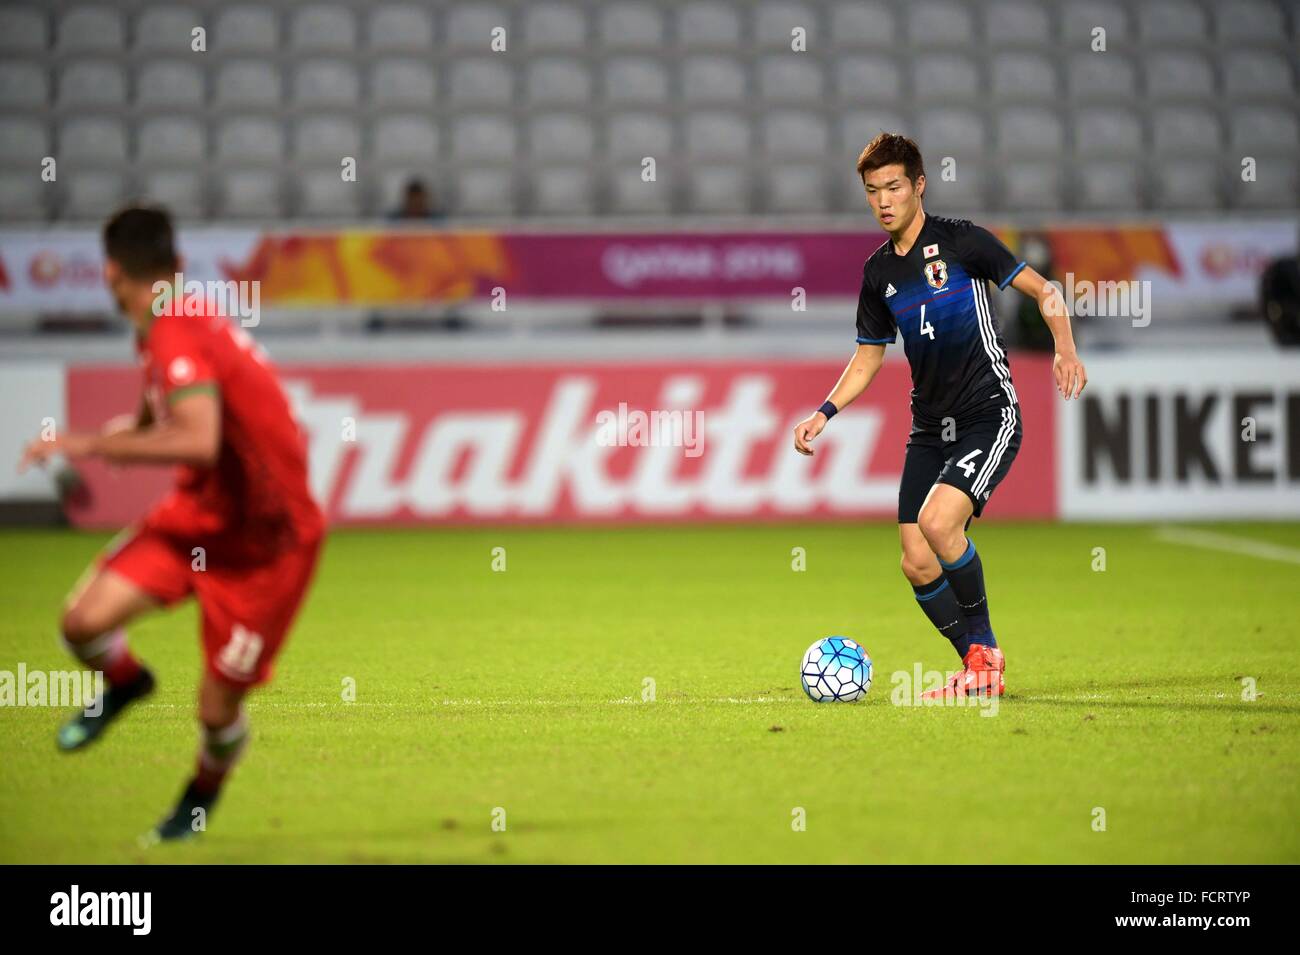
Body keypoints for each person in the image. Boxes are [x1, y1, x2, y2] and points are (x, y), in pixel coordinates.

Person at [19, 205, 325, 840]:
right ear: (176, 266)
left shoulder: (174, 330)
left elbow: (198, 441)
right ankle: (128, 684)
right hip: (199, 522)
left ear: (109, 272)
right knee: (83, 624)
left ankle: (198, 796)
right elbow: (163, 407)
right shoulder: (163, 321)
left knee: (216, 711)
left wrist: (88, 445)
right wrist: (125, 431)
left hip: (269, 544)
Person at [793, 134, 1087, 699]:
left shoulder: (962, 241)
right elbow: (869, 355)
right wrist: (825, 412)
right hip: (930, 427)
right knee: (915, 561)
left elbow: (1045, 290)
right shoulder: (878, 272)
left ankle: (986, 662)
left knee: (939, 524)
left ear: (919, 186)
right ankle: (976, 662)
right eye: (873, 191)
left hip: (987, 411)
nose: (884, 201)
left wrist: (1065, 348)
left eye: (894, 188)